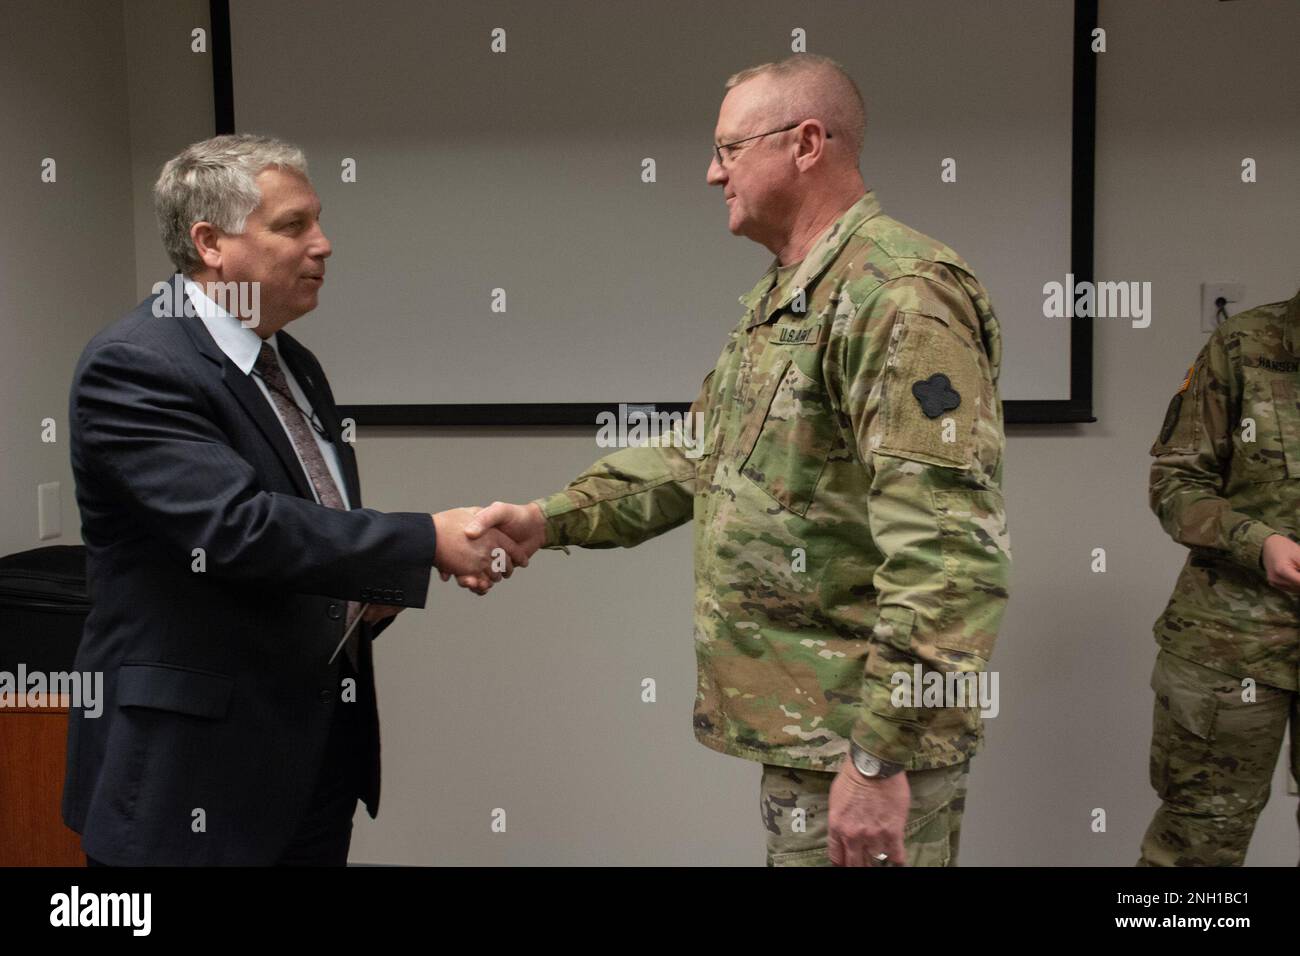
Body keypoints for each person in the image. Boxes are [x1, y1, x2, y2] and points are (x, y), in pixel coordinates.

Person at [459, 55, 1010, 866]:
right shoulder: (788, 297)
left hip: (861, 742)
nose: (710, 172)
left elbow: (949, 553)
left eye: (729, 148)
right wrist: (549, 519)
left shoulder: (898, 294)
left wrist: (878, 756)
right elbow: (700, 456)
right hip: (808, 735)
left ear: (807, 143)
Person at [63, 134, 527, 866]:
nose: (324, 245)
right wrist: (423, 541)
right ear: (210, 243)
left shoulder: (292, 362)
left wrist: (369, 590)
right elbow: (236, 528)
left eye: (318, 221)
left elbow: (312, 528)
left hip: (308, 762)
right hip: (191, 778)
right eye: (293, 226)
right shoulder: (137, 363)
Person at [1140, 288, 1300, 867]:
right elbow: (1175, 484)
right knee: (1195, 851)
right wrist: (1259, 544)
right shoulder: (1244, 344)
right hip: (1228, 646)